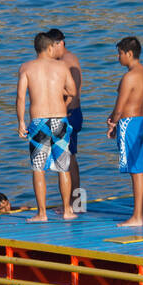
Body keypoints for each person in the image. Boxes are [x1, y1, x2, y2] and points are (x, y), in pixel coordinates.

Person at [16, 32, 77, 223]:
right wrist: (61, 99)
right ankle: (67, 210)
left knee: (38, 169)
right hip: (60, 119)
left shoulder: (26, 67)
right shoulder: (62, 66)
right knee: (63, 167)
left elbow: (20, 98)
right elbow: (73, 92)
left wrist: (20, 122)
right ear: (50, 47)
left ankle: (42, 214)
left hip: (39, 122)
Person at [106, 35, 143, 227]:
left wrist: (113, 123)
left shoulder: (129, 77)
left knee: (135, 171)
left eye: (120, 53)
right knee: (140, 169)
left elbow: (119, 107)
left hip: (129, 124)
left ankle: (137, 217)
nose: (118, 57)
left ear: (129, 53)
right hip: (142, 122)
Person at [45, 28, 84, 205]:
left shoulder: (66, 61)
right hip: (74, 113)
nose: (50, 52)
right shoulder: (70, 59)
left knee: (67, 160)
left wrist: (60, 110)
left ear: (60, 43)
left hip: (68, 113)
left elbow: (70, 92)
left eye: (51, 47)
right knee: (71, 159)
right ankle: (77, 203)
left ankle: (72, 204)